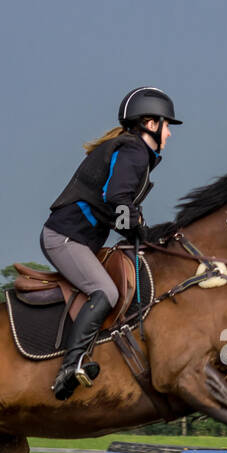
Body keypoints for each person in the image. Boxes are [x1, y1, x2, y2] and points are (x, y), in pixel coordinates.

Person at [41, 87, 181, 400]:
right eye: (167, 125)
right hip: (65, 238)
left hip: (81, 239)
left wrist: (146, 232)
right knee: (106, 291)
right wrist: (141, 230)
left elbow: (120, 211)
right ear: (149, 123)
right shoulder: (133, 151)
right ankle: (70, 364)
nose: (170, 134)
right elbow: (117, 198)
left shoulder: (132, 151)